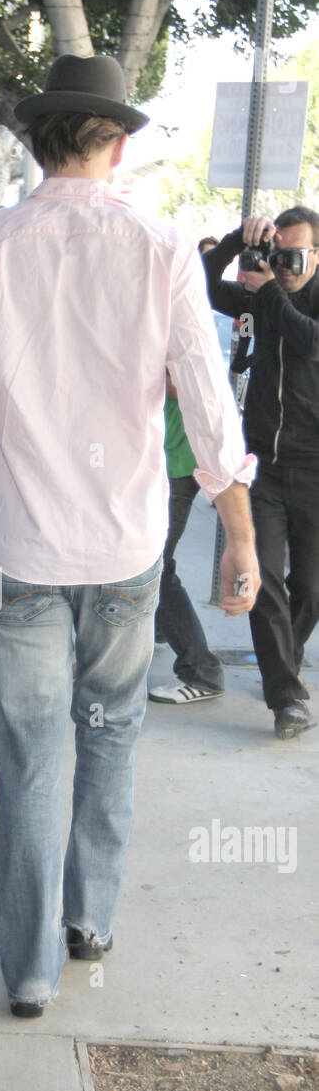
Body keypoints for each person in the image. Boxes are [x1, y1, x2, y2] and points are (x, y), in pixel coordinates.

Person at [0, 54, 260, 1018]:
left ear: (34, 141)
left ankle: (27, 971)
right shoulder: (161, 248)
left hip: (20, 542)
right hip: (126, 547)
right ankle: (89, 920)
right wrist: (238, 540)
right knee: (109, 735)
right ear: (116, 140)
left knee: (28, 756)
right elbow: (208, 408)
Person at [204, 207, 319, 739]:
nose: (286, 266)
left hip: (316, 471)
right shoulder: (259, 294)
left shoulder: (283, 297)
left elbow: (308, 342)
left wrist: (269, 288)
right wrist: (236, 239)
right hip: (264, 470)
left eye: (296, 256)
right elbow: (203, 286)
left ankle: (284, 662)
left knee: (312, 589)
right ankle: (286, 696)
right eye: (278, 255)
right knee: (264, 576)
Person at [148, 369, 226, 705]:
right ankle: (159, 627)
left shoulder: (171, 321)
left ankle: (202, 672)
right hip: (161, 461)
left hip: (172, 465)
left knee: (155, 568)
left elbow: (188, 383)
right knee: (155, 565)